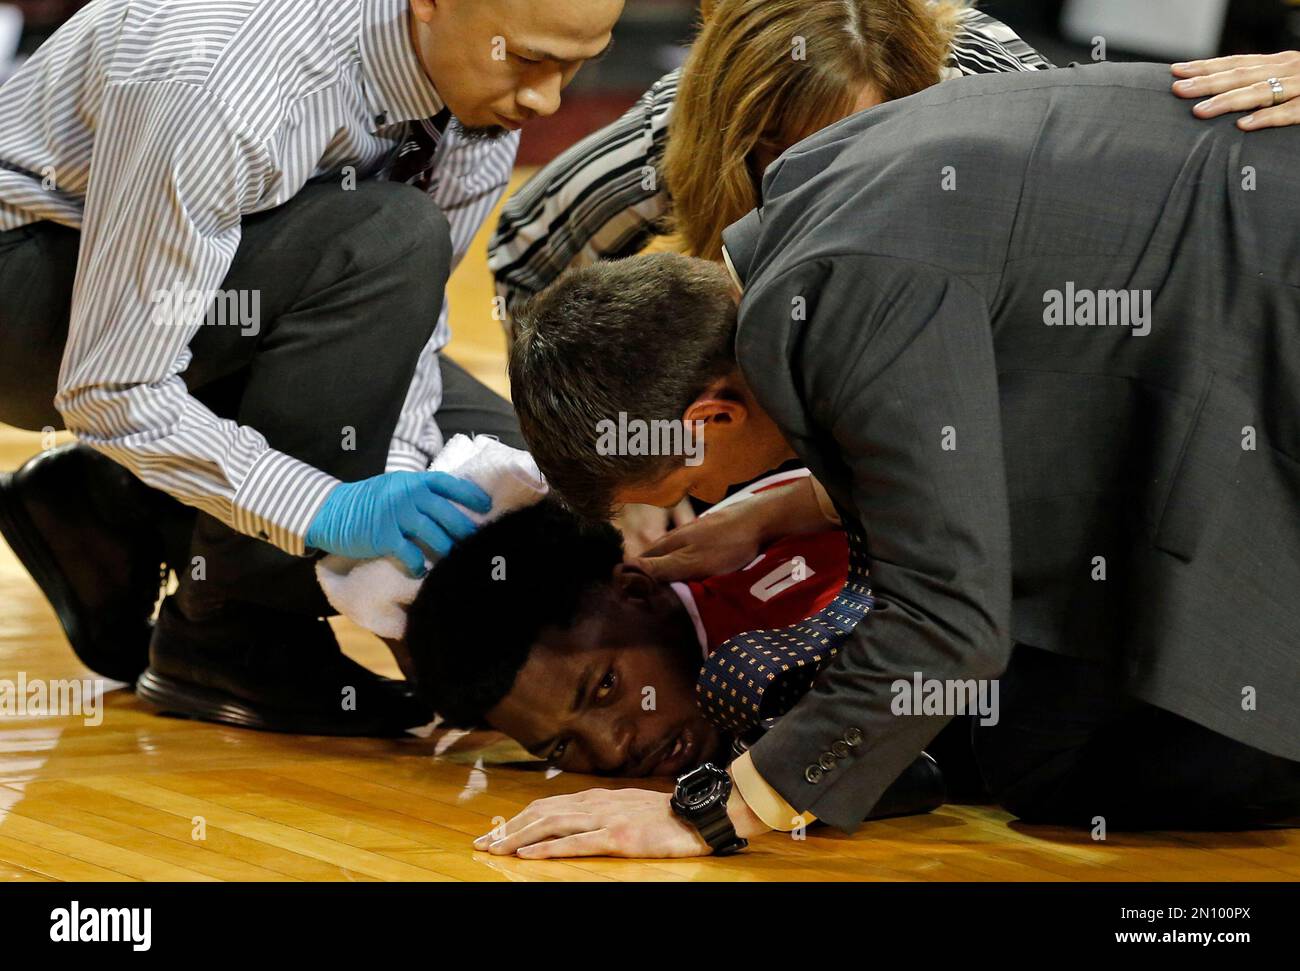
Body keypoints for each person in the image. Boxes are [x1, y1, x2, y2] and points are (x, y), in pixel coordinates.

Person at [494, 61, 1300, 860]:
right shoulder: (802, 203)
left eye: (691, 482)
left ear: (709, 414)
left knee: (1092, 737)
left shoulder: (850, 301)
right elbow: (959, 407)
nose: (712, 495)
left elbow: (951, 626)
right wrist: (789, 504)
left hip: (1267, 318)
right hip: (1222, 311)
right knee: (1039, 740)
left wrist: (714, 812)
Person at [0, 0, 622, 734]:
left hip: (199, 300)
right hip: (30, 296)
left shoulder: (474, 98)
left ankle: (114, 505)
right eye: (524, 59)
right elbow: (113, 386)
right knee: (387, 238)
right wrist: (325, 509)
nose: (545, 99)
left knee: (539, 473)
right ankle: (235, 628)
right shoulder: (226, 82)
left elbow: (407, 330)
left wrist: (398, 513)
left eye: (575, 65)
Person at [404, 488, 949, 819]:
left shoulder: (805, 572)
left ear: (638, 591)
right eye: (560, 748)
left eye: (605, 688)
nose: (613, 751)